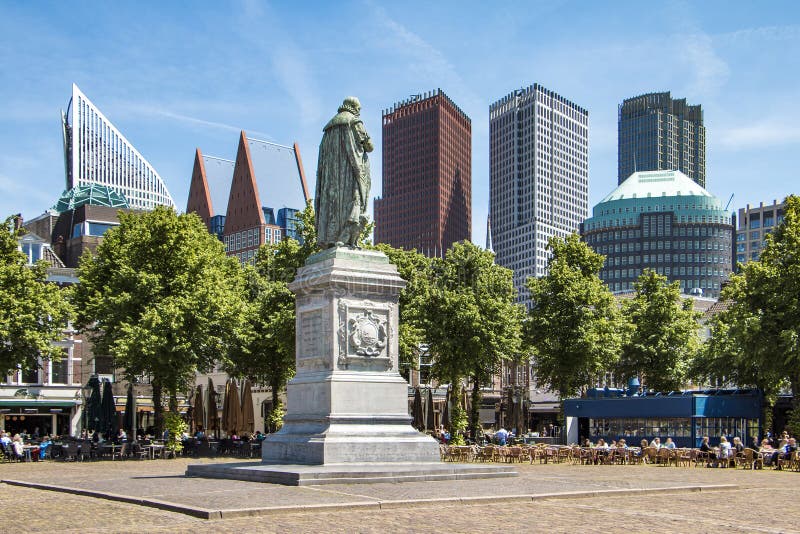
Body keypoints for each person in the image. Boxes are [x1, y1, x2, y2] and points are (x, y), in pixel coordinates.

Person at [314, 96, 374, 248]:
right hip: (351, 174)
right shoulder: (355, 122)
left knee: (333, 207)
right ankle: (346, 239)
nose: (359, 112)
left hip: (331, 179)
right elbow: (370, 146)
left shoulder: (328, 131)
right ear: (353, 107)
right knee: (355, 203)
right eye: (358, 109)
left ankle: (332, 239)